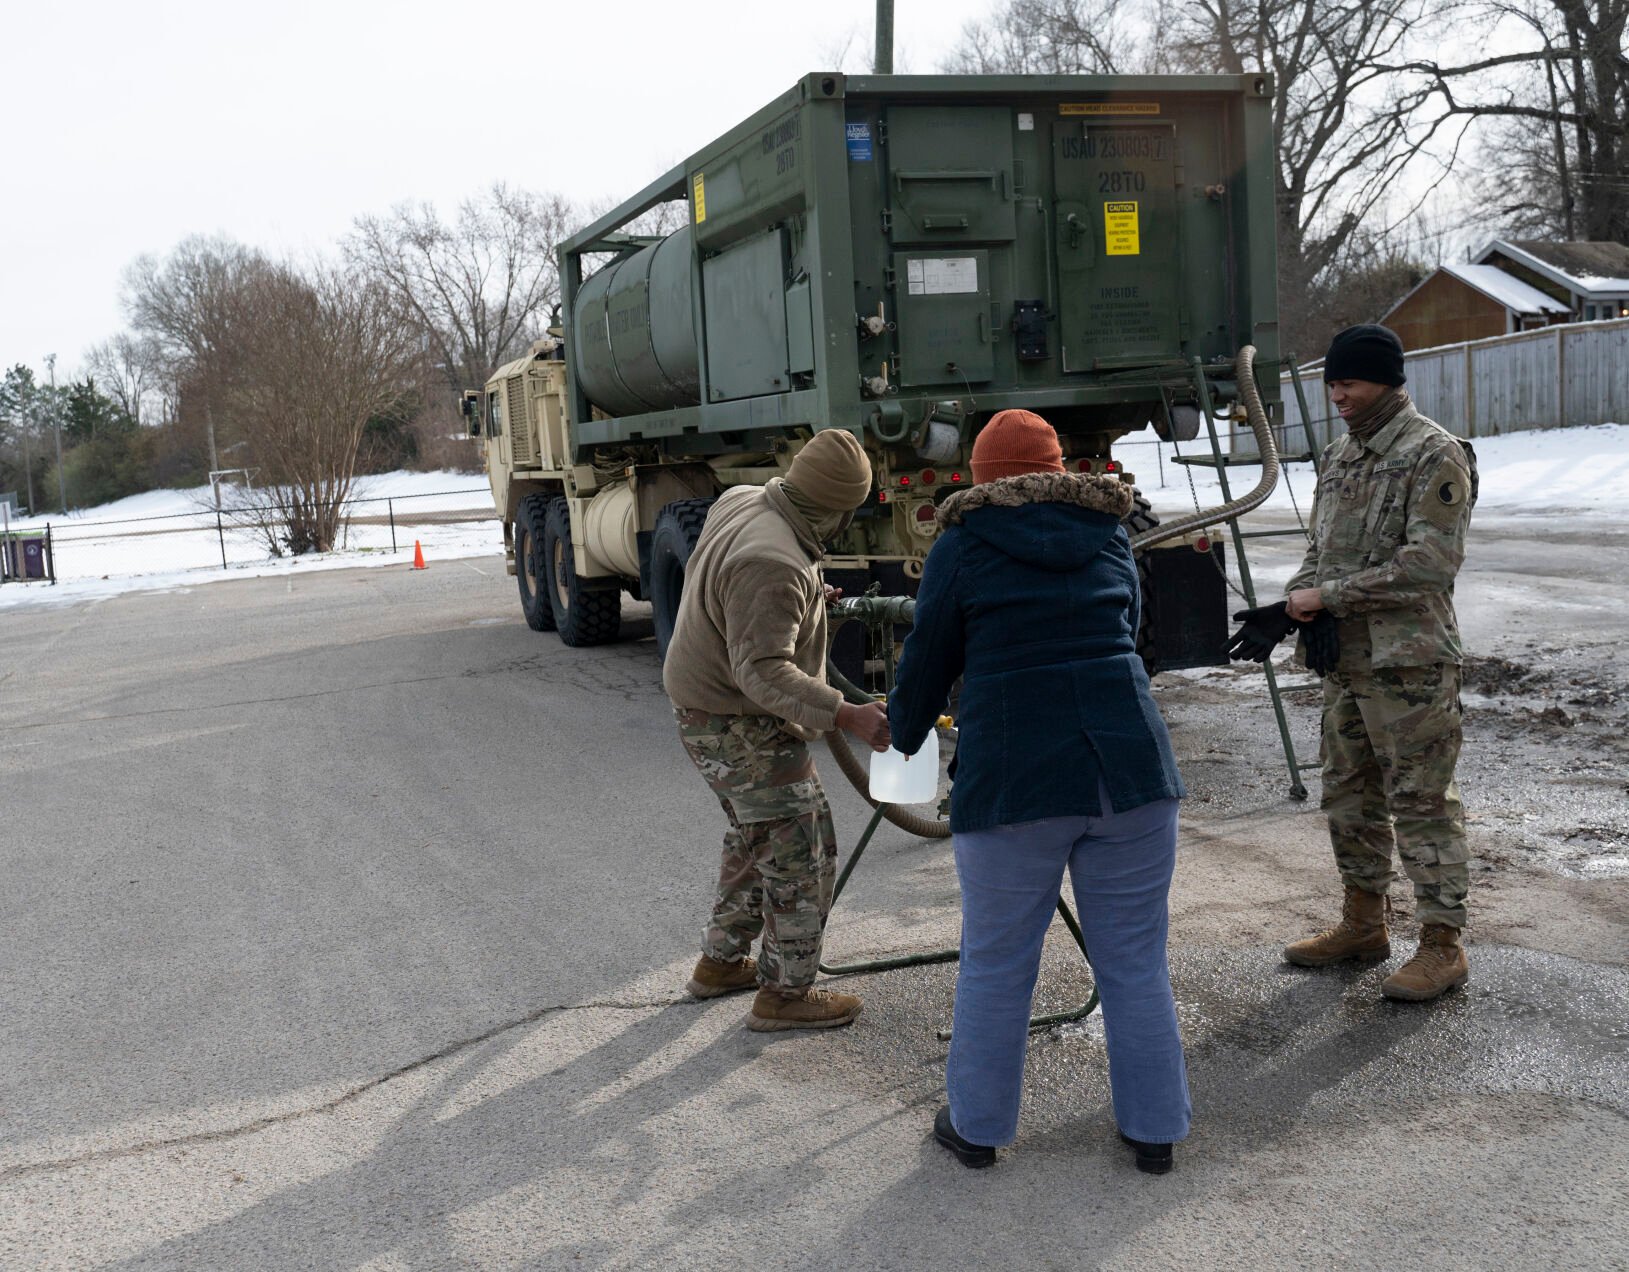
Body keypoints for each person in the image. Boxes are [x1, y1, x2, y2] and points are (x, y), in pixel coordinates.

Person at [887, 409, 1190, 1174]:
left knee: (997, 962)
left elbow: (925, 662)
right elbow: (1129, 633)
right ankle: (1154, 1132)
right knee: (1134, 963)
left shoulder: (962, 545)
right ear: (1060, 471)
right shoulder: (1111, 534)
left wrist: (900, 738)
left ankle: (978, 1130)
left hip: (1015, 778)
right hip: (1131, 771)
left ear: (981, 481)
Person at [1266, 323, 1476, 1002]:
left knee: (1420, 801)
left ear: (1385, 380)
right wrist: (1295, 600)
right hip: (1346, 663)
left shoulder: (1432, 453)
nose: (1337, 394)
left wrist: (1328, 595)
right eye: (1331, 382)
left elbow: (1429, 566)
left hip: (1409, 665)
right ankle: (1362, 924)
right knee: (1348, 796)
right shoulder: (1339, 456)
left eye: (1348, 382)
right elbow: (1319, 547)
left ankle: (1442, 946)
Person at [664, 428, 892, 1032]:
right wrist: (848, 713)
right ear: (838, 508)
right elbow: (762, 669)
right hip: (734, 716)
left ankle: (720, 963)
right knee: (801, 847)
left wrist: (806, 596)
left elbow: (738, 591)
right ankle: (786, 995)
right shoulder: (773, 561)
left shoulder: (746, 499)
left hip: (711, 705)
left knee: (756, 834)